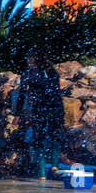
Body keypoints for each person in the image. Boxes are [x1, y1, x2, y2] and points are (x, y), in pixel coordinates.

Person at [15, 48, 63, 178]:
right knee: (52, 136)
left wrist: (18, 114)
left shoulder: (30, 73)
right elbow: (55, 90)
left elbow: (22, 94)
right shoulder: (51, 71)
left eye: (30, 57)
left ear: (36, 58)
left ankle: (44, 172)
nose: (28, 59)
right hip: (53, 106)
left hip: (44, 107)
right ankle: (53, 166)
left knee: (41, 138)